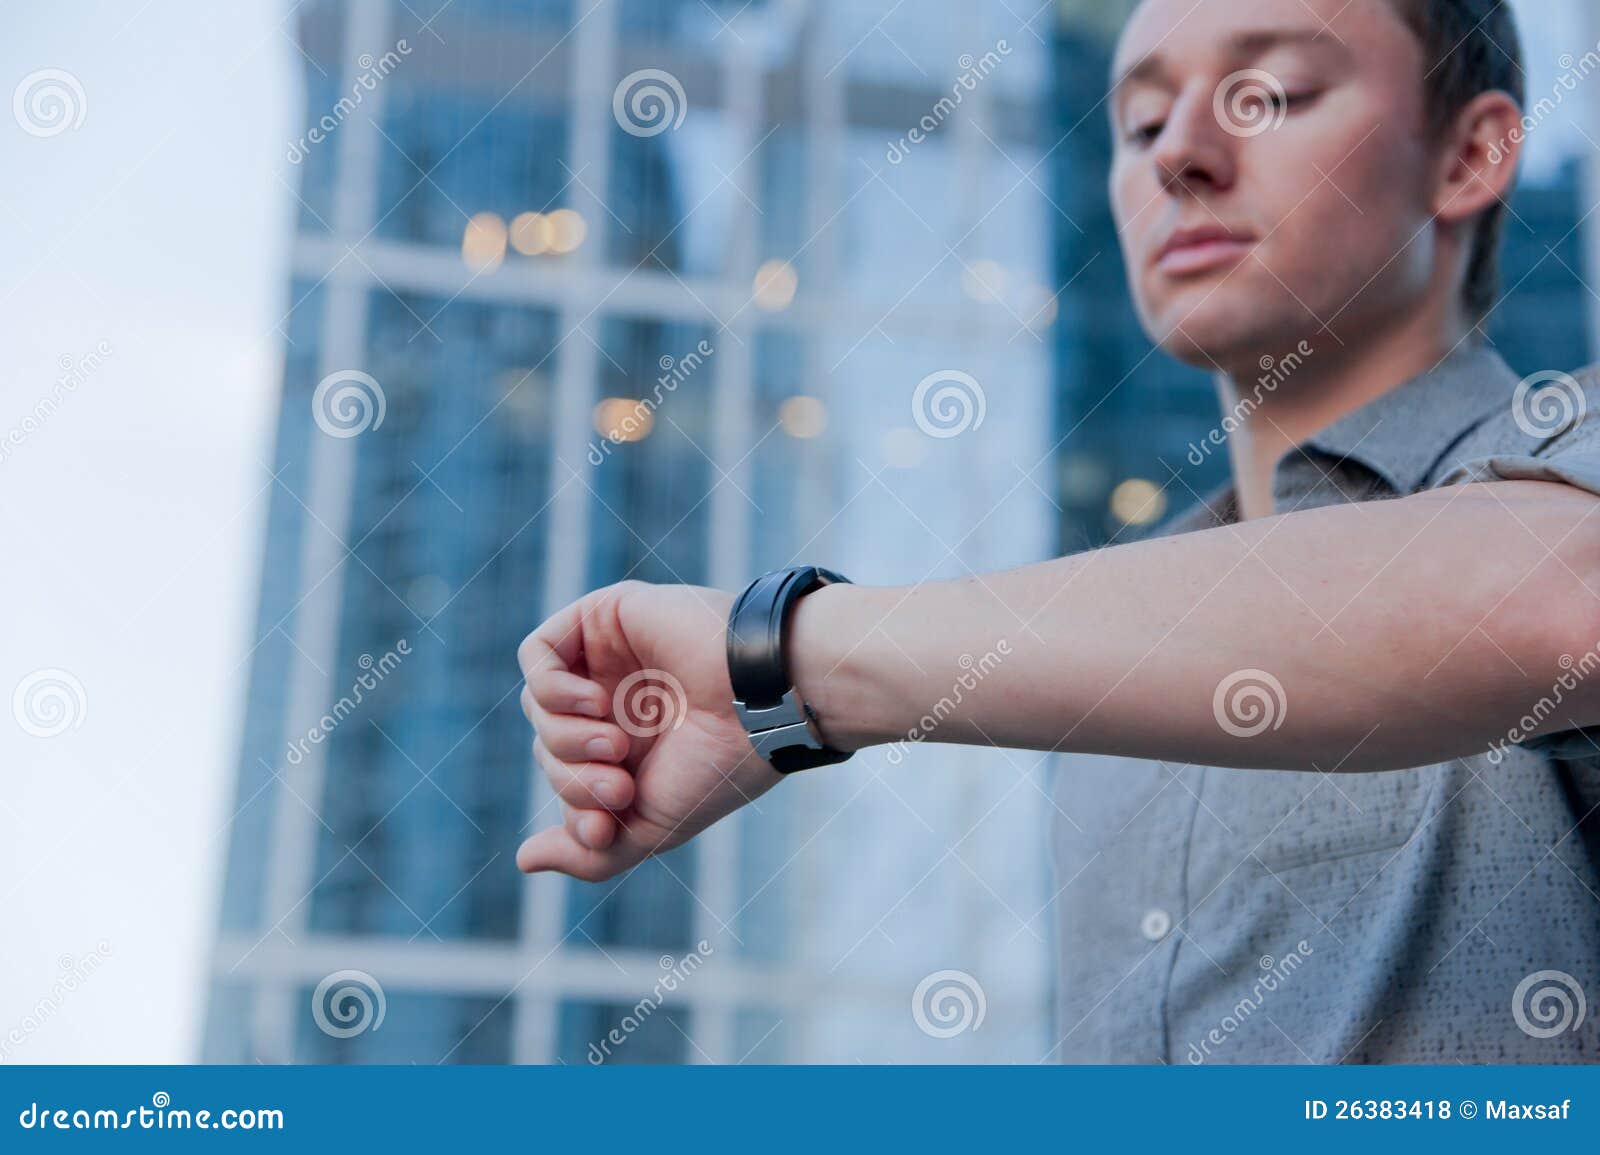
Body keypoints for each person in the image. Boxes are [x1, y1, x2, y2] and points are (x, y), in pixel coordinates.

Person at [516, 0, 1600, 1062]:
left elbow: (1554, 600)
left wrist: (783, 660)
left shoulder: (1569, 471)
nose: (1179, 155)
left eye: (1269, 94)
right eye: (1137, 125)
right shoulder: (1103, 659)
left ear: (1469, 155)